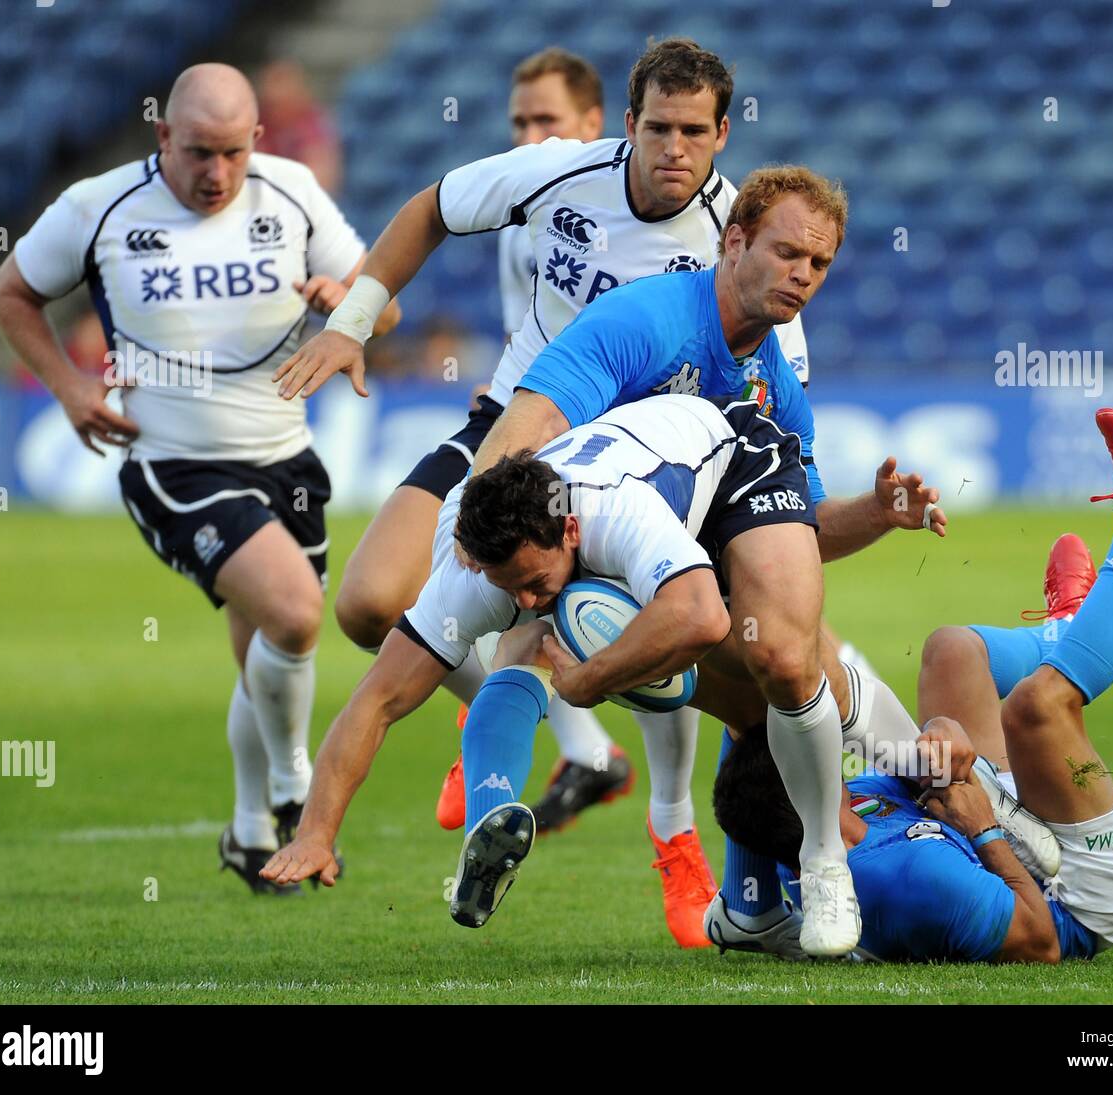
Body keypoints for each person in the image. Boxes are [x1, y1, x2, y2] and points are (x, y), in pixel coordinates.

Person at [277, 37, 813, 946]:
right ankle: (533, 721)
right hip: (515, 428)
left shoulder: (739, 242)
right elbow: (431, 208)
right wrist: (352, 321)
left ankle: (678, 831)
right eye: (657, 129)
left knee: (719, 649)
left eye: (694, 132)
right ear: (627, 126)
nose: (673, 149)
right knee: (372, 604)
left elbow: (779, 398)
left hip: (651, 462)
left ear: (724, 134)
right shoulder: (558, 174)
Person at [261, 393, 895, 955]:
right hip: (566, 513)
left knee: (778, 668)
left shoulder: (617, 515)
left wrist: (592, 682)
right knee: (539, 631)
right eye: (512, 586)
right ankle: (495, 812)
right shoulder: (475, 576)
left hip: (728, 461)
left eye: (534, 580)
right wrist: (317, 833)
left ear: (569, 531)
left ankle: (843, 834)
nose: (528, 598)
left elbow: (700, 617)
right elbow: (377, 701)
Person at [0, 62, 400, 896]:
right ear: (162, 136)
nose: (216, 175)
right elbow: (11, 292)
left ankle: (250, 833)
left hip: (286, 458)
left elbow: (383, 304)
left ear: (257, 141)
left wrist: (345, 302)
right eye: (197, 153)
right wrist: (69, 387)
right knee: (292, 611)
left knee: (265, 651)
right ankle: (291, 782)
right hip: (171, 461)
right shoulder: (97, 207)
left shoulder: (289, 192)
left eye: (232, 154)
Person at [711, 408, 1113, 962]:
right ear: (809, 791)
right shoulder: (905, 879)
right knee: (1036, 707)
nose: (834, 751)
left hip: (1001, 821)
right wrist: (984, 830)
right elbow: (1041, 944)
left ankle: (1069, 631)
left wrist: (939, 738)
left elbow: (751, 735)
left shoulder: (832, 815)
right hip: (1070, 894)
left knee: (951, 651)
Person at [432, 47, 638, 844]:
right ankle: (554, 741)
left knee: (633, 616)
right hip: (526, 415)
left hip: (610, 436)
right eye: (517, 120)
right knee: (406, 594)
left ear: (594, 128)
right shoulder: (526, 205)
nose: (525, 134)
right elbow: (535, 328)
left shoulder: (621, 204)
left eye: (544, 120)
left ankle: (671, 825)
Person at [255, 60, 342, 195]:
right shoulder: (258, 123)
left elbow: (318, 181)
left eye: (281, 103)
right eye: (270, 103)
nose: (274, 108)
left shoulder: (313, 125)